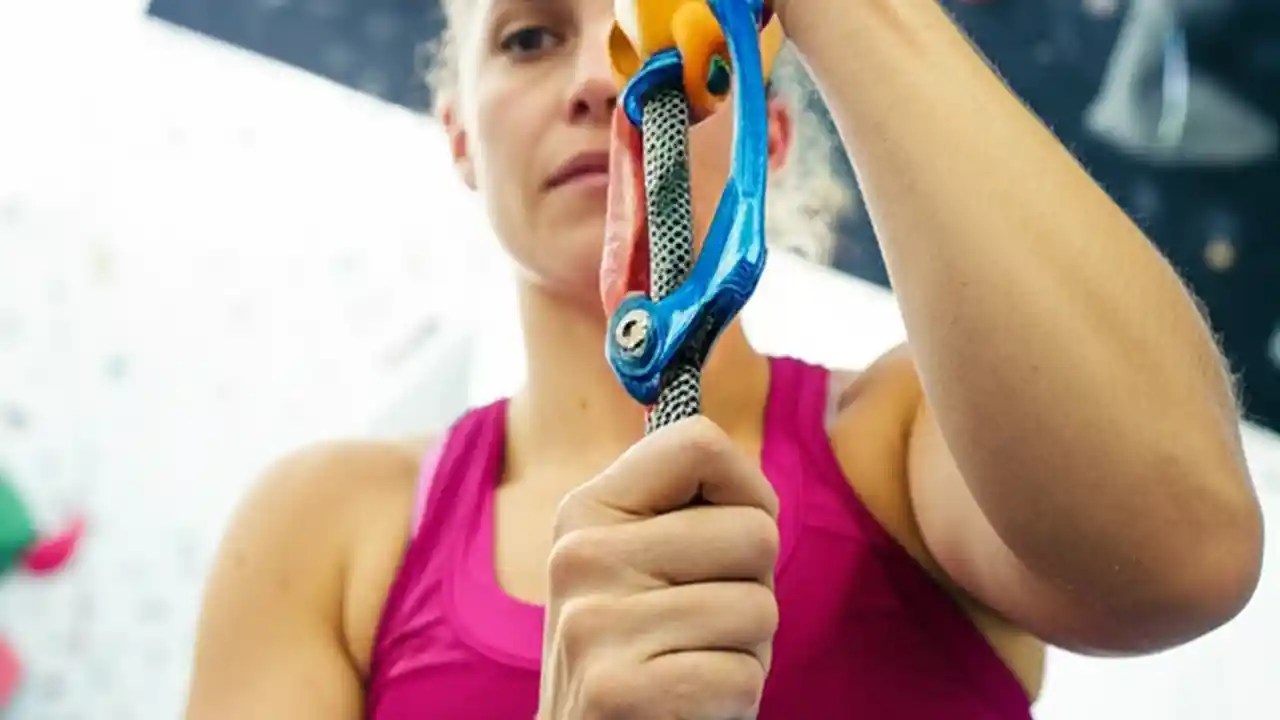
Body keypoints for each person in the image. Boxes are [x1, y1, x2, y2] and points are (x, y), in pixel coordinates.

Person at [184, 0, 1266, 718]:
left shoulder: (905, 441)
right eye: (529, 38)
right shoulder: (327, 530)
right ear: (460, 134)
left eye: (665, 28)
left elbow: (1185, 549)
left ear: (770, 136)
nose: (604, 80)